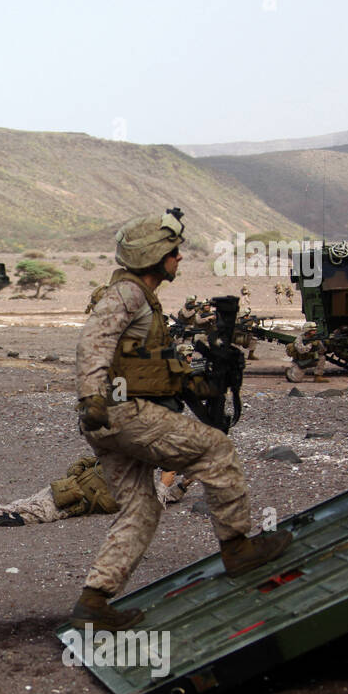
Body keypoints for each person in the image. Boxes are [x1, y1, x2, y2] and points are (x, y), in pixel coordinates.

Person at [73, 208, 291, 630]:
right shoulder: (127, 295)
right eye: (174, 252)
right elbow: (92, 344)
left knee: (140, 508)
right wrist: (92, 397)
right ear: (155, 256)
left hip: (111, 418)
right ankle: (238, 549)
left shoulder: (144, 301)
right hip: (121, 412)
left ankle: (93, 601)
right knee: (217, 451)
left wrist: (202, 384)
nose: (179, 259)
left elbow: (153, 364)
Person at [0, 459, 190, 532]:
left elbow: (79, 464)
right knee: (12, 518)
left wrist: (182, 486)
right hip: (68, 500)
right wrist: (165, 482)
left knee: (13, 508)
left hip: (62, 488)